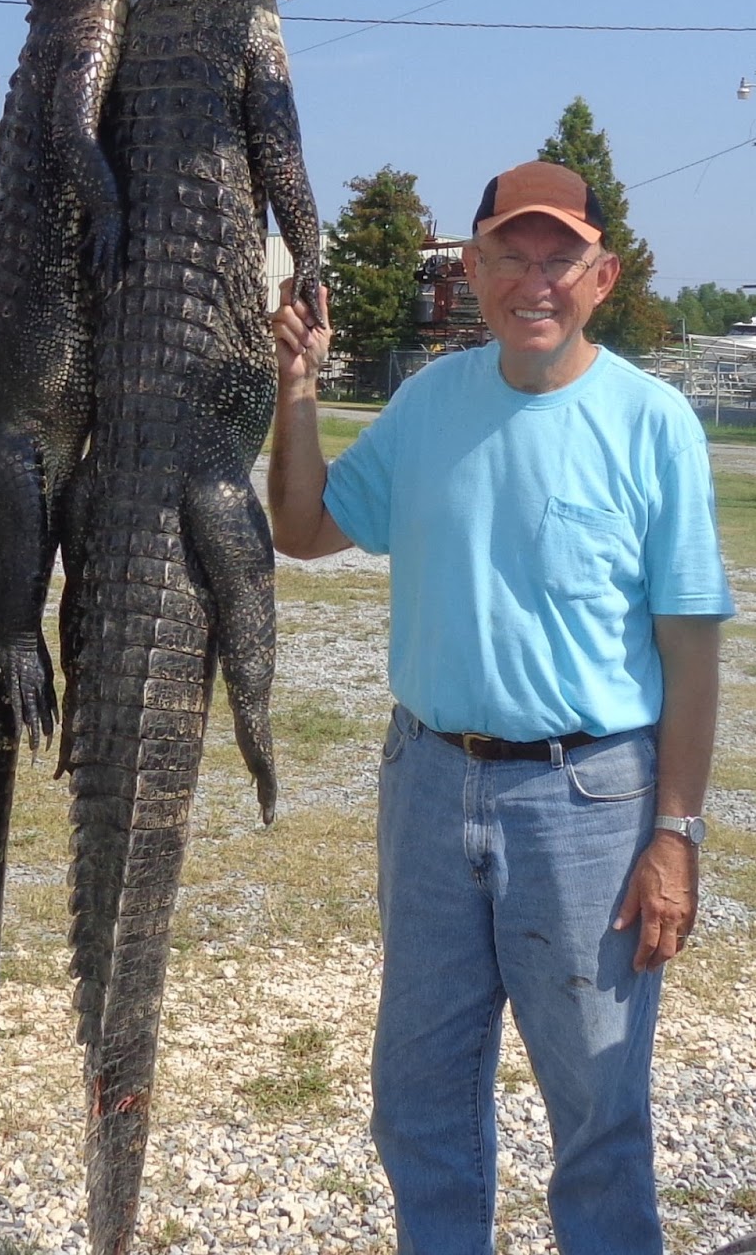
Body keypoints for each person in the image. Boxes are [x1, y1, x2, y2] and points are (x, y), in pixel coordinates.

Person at [268, 162, 733, 1255]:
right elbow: (301, 528)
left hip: (588, 801)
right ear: (469, 267)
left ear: (600, 274)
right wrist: (294, 393)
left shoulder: (650, 422)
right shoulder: (430, 403)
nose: (535, 280)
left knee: (595, 1107)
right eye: (509, 255)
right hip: (428, 783)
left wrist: (674, 832)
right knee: (419, 1097)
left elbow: (690, 648)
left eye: (559, 256)